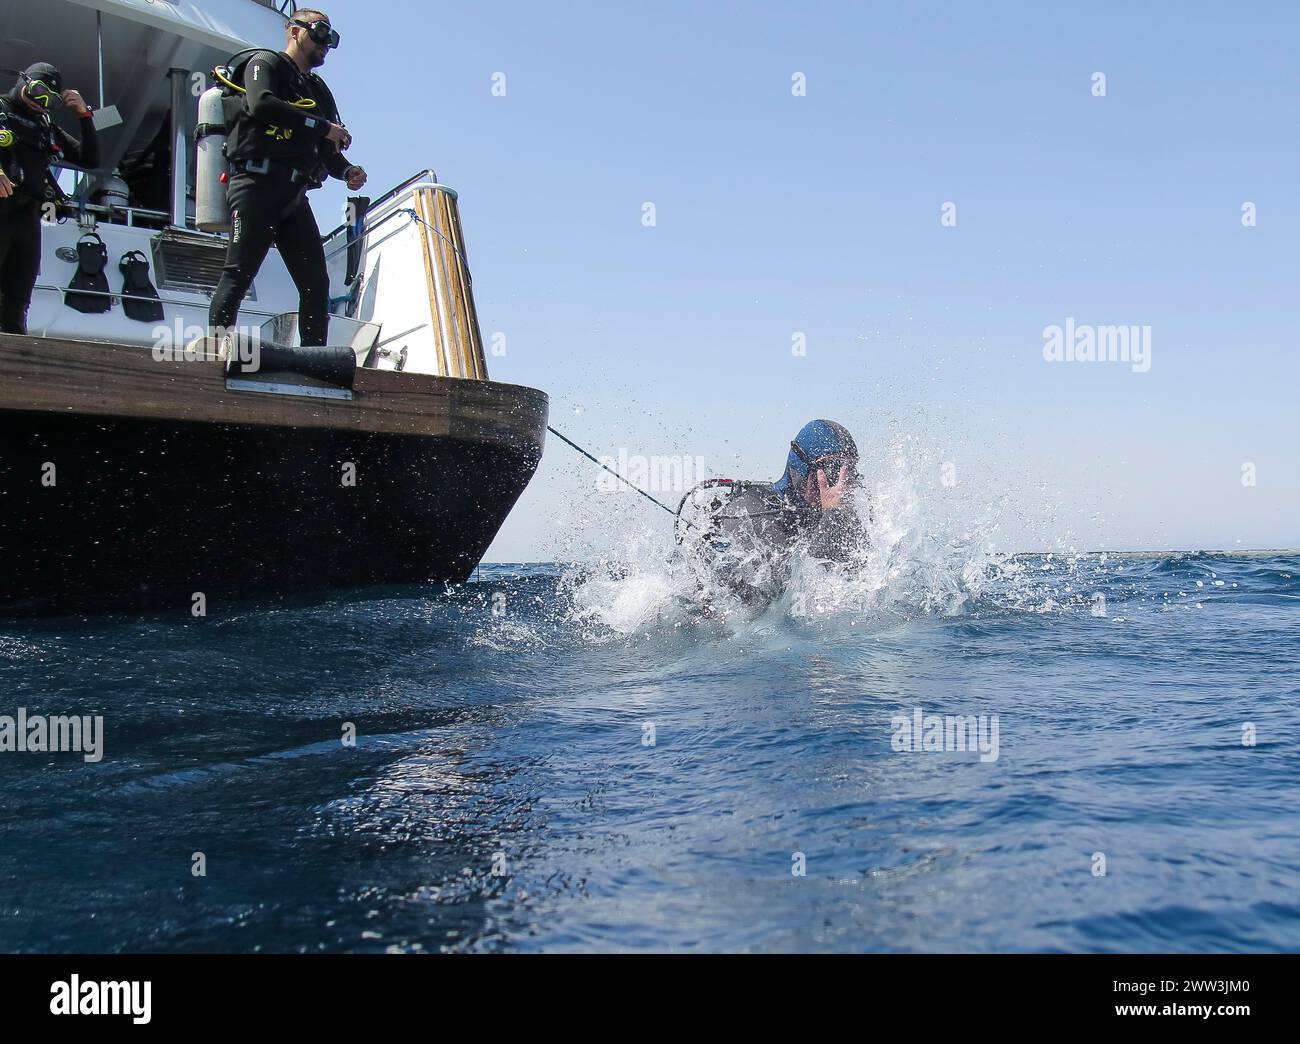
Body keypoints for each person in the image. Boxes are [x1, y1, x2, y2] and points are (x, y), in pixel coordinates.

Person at [207, 10, 367, 349]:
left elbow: (328, 148)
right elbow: (261, 104)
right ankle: (216, 348)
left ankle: (314, 358)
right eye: (320, 33)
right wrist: (323, 127)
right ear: (294, 32)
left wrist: (346, 171)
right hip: (255, 185)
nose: (327, 44)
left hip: (294, 194)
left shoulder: (318, 90)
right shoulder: (264, 63)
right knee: (239, 272)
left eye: (332, 38)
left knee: (316, 283)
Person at [677, 419, 865, 605]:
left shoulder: (834, 512)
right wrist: (834, 515)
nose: (841, 484)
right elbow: (795, 595)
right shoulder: (751, 514)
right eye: (831, 470)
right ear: (800, 467)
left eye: (849, 472)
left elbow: (864, 580)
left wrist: (838, 516)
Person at [0, 63, 99, 334]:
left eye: (51, 100)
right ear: (24, 81)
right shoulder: (1, 112)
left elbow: (89, 159)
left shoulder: (45, 127)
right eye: (38, 91)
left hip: (27, 218)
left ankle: (11, 365)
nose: (41, 102)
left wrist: (84, 116)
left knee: (18, 298)